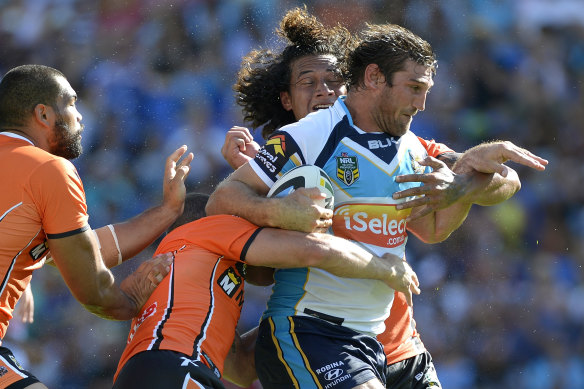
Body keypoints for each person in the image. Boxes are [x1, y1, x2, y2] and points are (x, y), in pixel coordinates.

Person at [207, 22, 548, 389]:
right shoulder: (305, 141)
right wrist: (276, 207)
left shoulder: (411, 147)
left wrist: (461, 182)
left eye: (332, 80)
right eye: (309, 83)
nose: (324, 92)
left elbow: (486, 191)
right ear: (372, 78)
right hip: (319, 333)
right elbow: (230, 211)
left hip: (395, 347)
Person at [0, 64, 193, 388]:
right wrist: (132, 299)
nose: (81, 117)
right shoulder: (48, 170)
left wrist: (167, 212)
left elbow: (85, 250)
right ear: (44, 115)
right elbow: (94, 290)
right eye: (72, 103)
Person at [112, 192, 421, 389]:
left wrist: (294, 324)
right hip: (173, 368)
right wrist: (387, 269)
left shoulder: (190, 281)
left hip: (145, 371)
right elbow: (313, 251)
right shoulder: (206, 229)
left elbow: (242, 370)